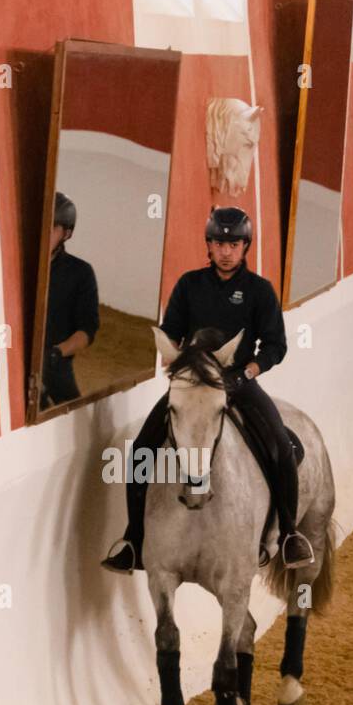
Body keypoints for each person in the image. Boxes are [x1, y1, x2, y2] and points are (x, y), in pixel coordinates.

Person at [101, 206, 314, 574]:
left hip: (238, 382)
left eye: (233, 244)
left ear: (245, 246)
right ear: (209, 246)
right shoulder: (189, 285)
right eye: (218, 243)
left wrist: (246, 373)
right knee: (140, 452)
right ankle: (134, 539)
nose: (225, 251)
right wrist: (173, 355)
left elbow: (275, 346)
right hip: (195, 385)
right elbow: (172, 330)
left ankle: (290, 535)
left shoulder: (259, 291)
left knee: (281, 445)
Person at [40, 192, 100, 409]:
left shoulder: (80, 273)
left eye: (52, 227)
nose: (44, 232)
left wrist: (56, 353)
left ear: (66, 233)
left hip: (55, 365)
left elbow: (87, 330)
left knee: (76, 417)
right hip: (15, 362)